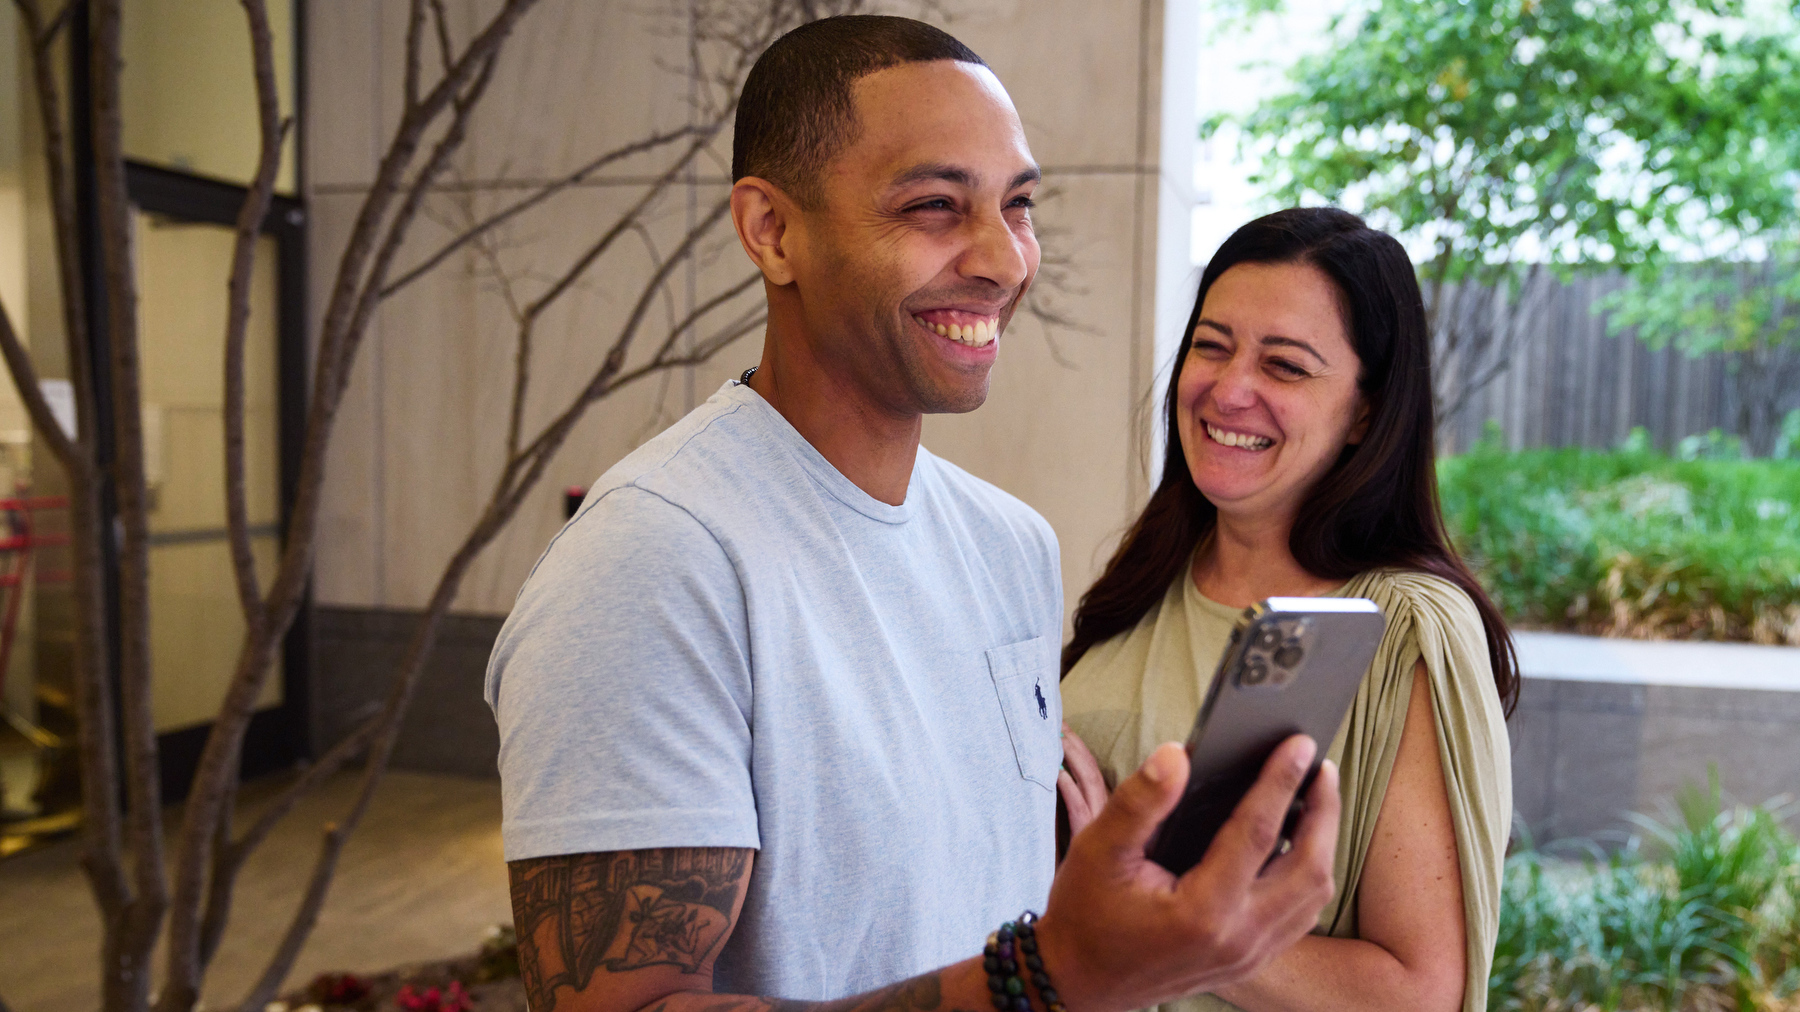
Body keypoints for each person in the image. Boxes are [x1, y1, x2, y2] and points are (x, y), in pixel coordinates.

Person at [486, 16, 1341, 1012]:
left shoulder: (1011, 543)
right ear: (773, 230)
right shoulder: (656, 557)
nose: (1003, 258)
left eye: (1018, 207)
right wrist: (1054, 976)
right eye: (937, 206)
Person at [1057, 208, 1516, 1012]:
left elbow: (1419, 994)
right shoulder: (1144, 583)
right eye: (1211, 345)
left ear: (1365, 415)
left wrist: (1150, 910)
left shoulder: (1402, 625)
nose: (1230, 389)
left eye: (1287, 367)